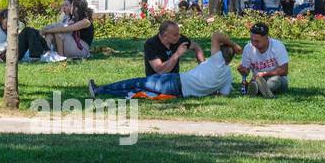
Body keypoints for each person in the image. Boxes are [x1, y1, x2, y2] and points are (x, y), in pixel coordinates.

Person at [90, 31, 240, 99]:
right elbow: (222, 95)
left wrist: (234, 45)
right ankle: (100, 92)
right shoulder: (227, 76)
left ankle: (99, 89)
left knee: (136, 82)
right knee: (137, 91)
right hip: (181, 93)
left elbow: (216, 35)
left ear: (219, 54)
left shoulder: (216, 60)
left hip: (176, 81)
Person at [22, 0, 94, 62]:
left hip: (82, 49)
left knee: (58, 32)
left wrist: (45, 30)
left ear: (76, 8)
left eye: (71, 6)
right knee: (50, 34)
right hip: (74, 45)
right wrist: (47, 31)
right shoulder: (74, 19)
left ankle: (60, 56)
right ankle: (45, 54)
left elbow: (65, 29)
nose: (69, 8)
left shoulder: (85, 22)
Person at [239, 21, 290, 97]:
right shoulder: (248, 48)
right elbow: (246, 72)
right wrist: (243, 71)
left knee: (275, 81)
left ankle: (256, 90)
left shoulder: (277, 46)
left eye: (257, 41)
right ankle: (261, 90)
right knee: (257, 82)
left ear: (266, 37)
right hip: (258, 79)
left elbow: (284, 70)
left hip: (277, 78)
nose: (254, 43)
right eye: (251, 40)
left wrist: (264, 74)